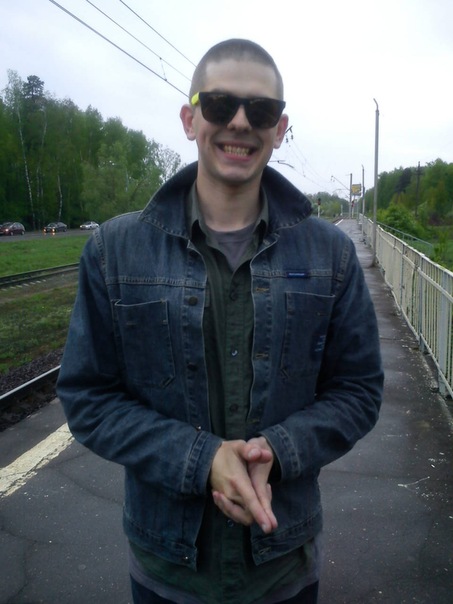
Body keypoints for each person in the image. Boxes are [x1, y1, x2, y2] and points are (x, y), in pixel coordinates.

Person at [57, 38, 383, 604]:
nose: (239, 122)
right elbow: (88, 397)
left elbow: (358, 390)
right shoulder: (115, 250)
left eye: (261, 110)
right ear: (190, 119)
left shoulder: (330, 254)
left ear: (280, 130)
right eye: (219, 104)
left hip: (282, 568)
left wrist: (277, 450)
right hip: (168, 571)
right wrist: (201, 459)